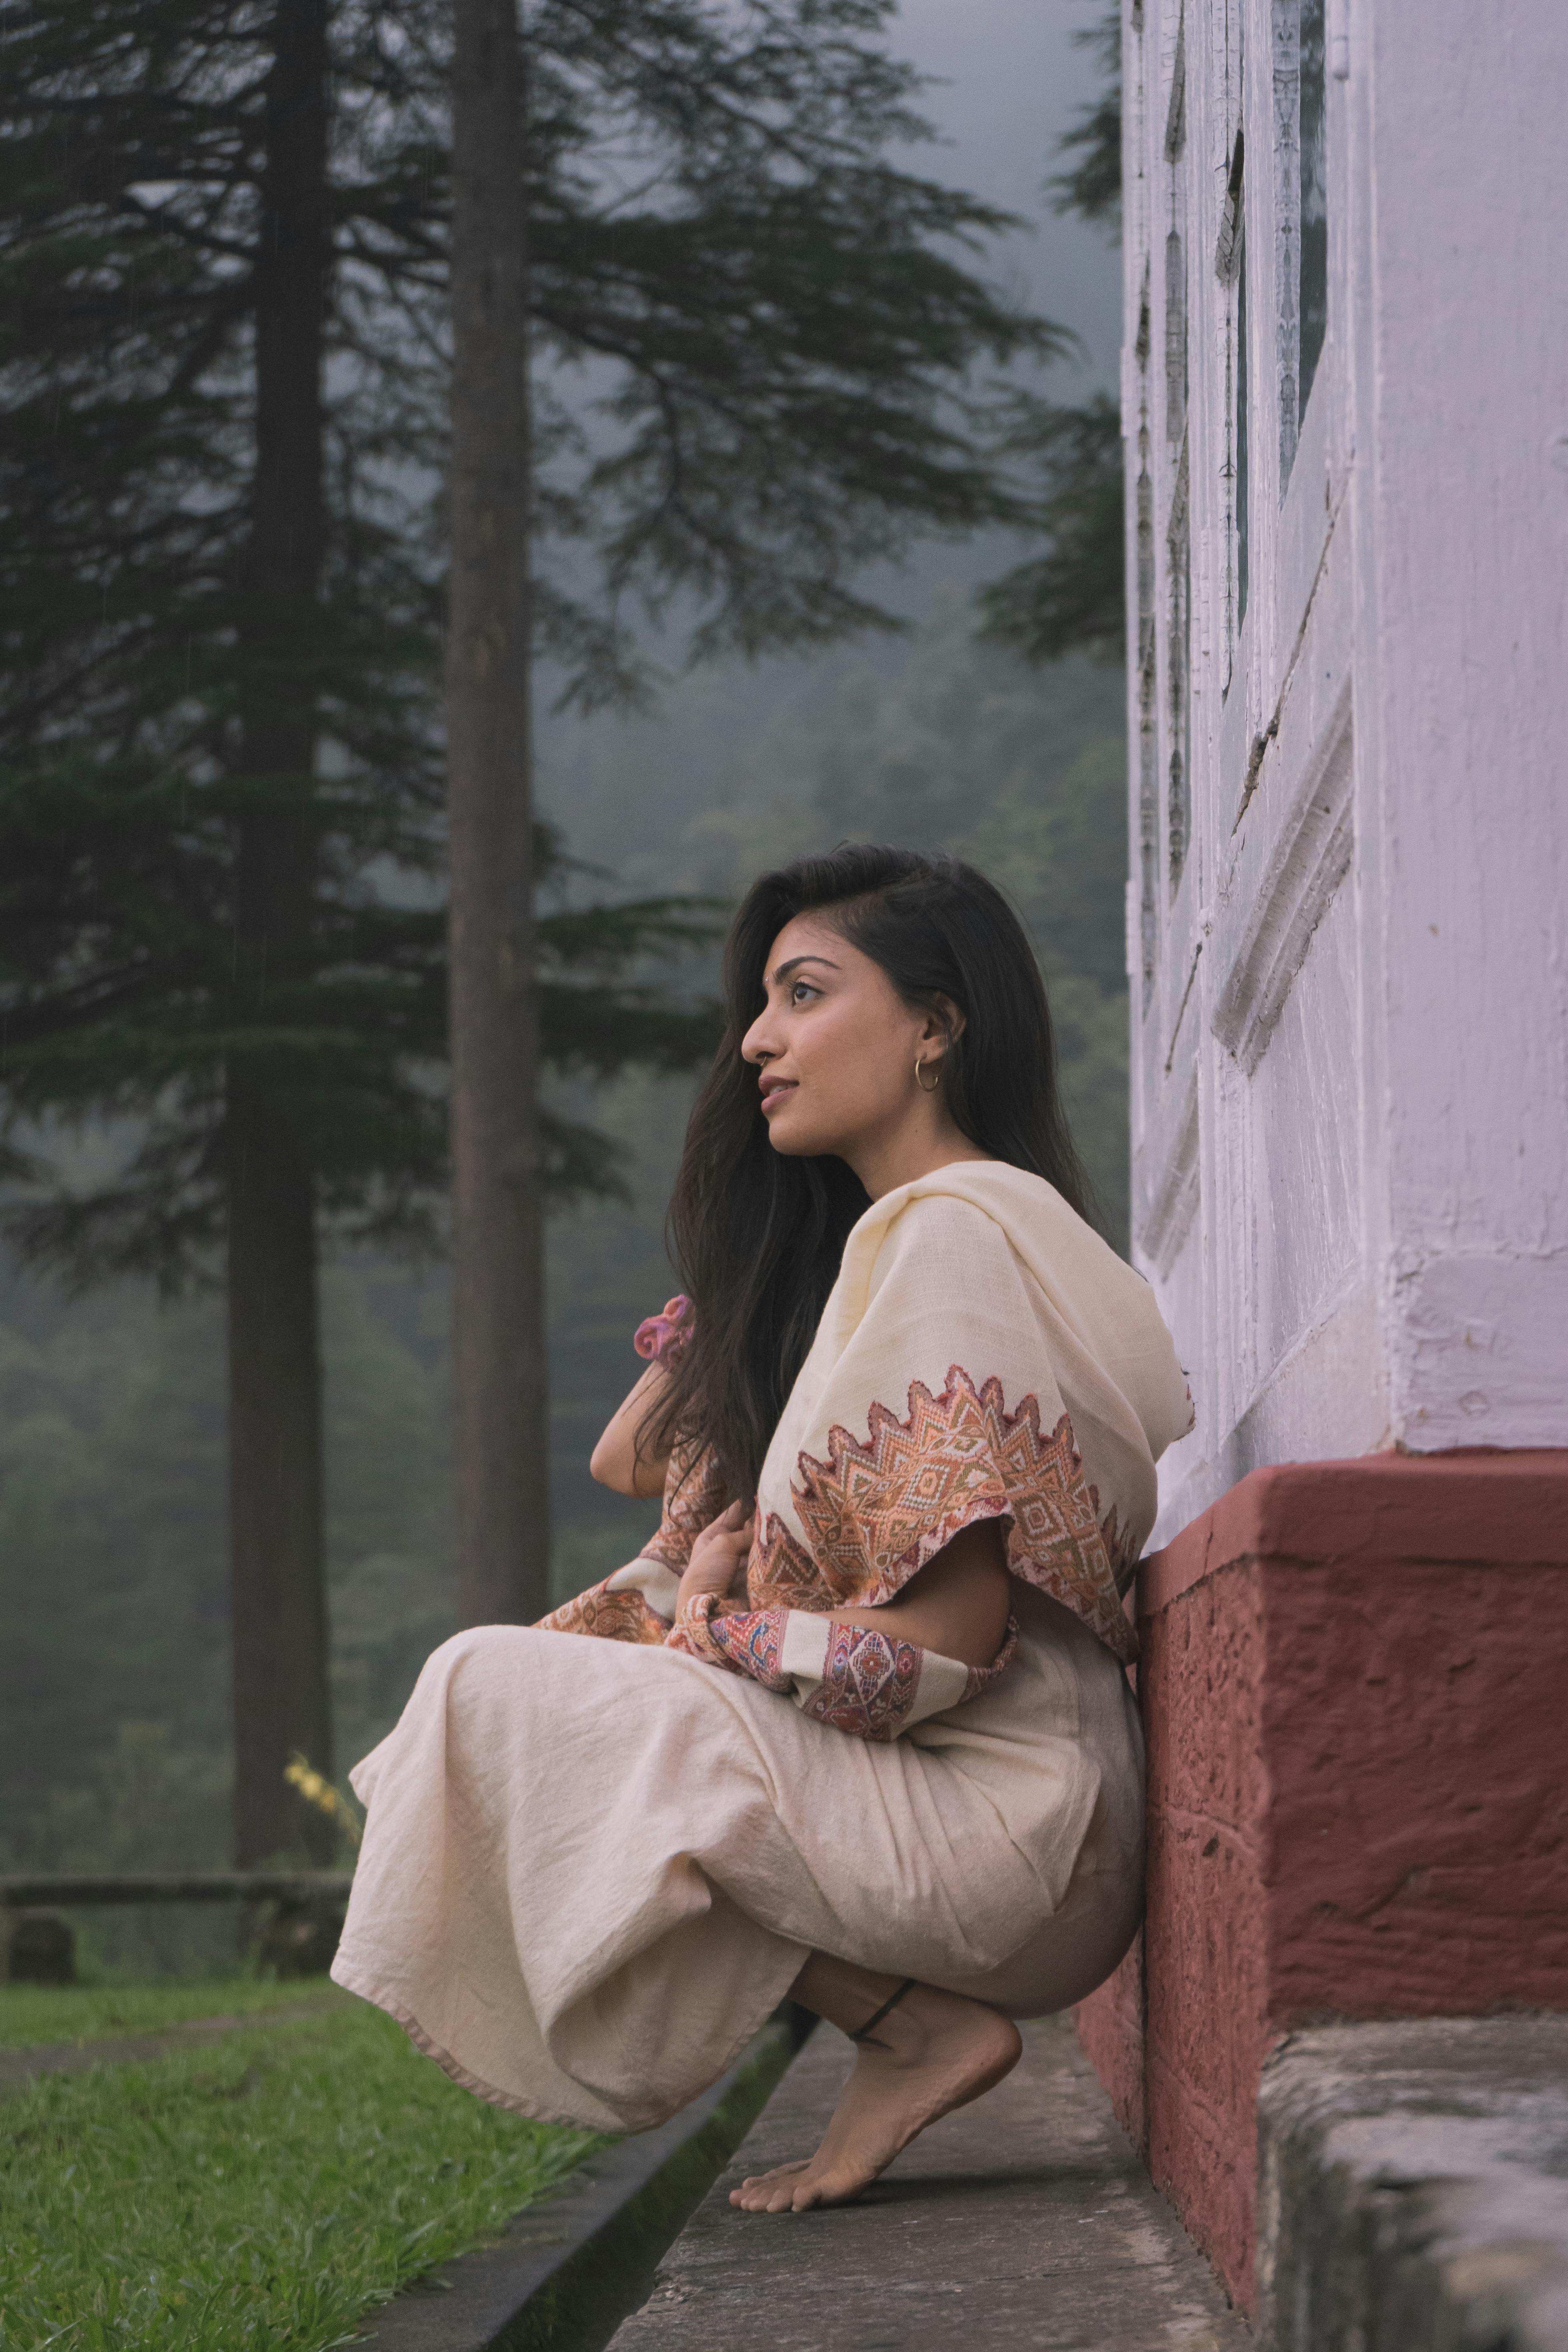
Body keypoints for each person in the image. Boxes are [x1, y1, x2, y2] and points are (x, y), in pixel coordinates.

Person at [332, 845, 1192, 2214]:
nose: (754, 1040)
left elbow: (950, 1642)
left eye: (802, 994)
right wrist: (737, 1301)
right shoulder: (899, 1248)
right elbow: (635, 1462)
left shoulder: (951, 1241)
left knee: (496, 1689)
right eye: (760, 1002)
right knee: (504, 1713)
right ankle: (908, 2024)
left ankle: (911, 2025)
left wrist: (715, 1629)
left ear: (935, 1026)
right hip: (993, 1825)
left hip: (1018, 1830)